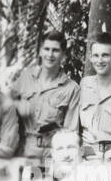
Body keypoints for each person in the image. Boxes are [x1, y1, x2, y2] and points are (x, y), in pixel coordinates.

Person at [10, 30, 79, 161]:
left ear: (63, 54)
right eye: (46, 49)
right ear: (40, 51)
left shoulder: (72, 88)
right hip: (24, 150)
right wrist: (17, 104)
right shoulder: (26, 77)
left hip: (52, 153)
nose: (50, 54)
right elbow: (4, 104)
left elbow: (71, 132)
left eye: (55, 50)